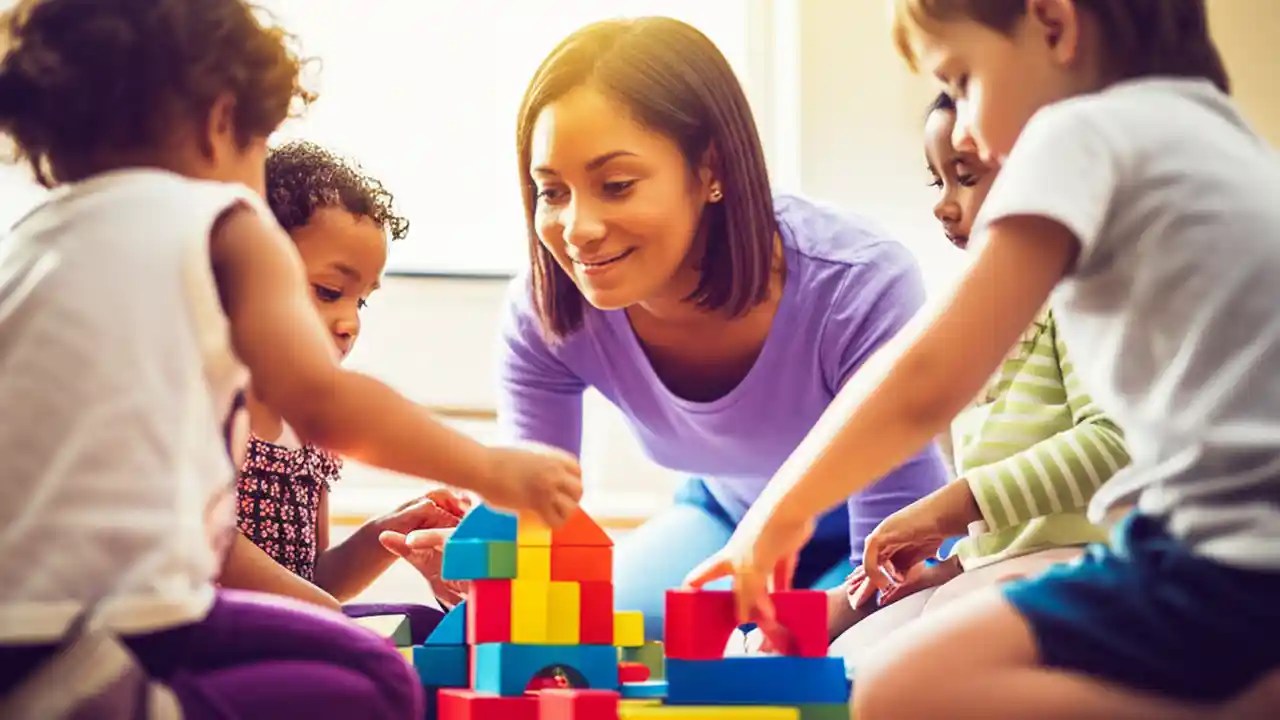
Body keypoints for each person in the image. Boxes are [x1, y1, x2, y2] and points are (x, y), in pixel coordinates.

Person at [686, 1, 1280, 717]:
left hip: (1224, 561)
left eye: (962, 80)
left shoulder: (1078, 134)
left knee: (900, 690)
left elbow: (926, 380)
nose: (965, 125)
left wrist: (777, 516)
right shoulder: (1226, 141)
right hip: (1214, 552)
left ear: (1053, 24)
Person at [0, 1, 580, 716]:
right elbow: (326, 401)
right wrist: (494, 468)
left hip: (20, 625)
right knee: (376, 677)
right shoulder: (222, 220)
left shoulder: (29, 247)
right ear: (221, 121)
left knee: (391, 643)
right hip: (122, 626)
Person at [500, 15, 948, 640]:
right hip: (726, 520)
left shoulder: (856, 284)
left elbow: (895, 562)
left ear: (709, 169)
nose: (577, 228)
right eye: (552, 191)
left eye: (616, 185)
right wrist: (483, 576)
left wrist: (783, 639)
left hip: (884, 537)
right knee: (602, 634)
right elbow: (533, 533)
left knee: (832, 666)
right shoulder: (549, 313)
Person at [828, 92, 1129, 667]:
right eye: (936, 182)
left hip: (1084, 562)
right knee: (844, 659)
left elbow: (1115, 443)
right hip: (997, 564)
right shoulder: (983, 319)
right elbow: (1004, 532)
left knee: (899, 673)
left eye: (964, 177)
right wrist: (944, 566)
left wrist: (949, 508)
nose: (944, 205)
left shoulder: (1077, 299)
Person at [218, 141, 468, 640]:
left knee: (422, 635)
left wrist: (387, 535)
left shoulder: (311, 425)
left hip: (291, 636)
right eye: (329, 292)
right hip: (213, 636)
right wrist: (330, 622)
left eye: (362, 302)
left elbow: (315, 576)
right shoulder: (211, 405)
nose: (349, 322)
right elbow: (212, 549)